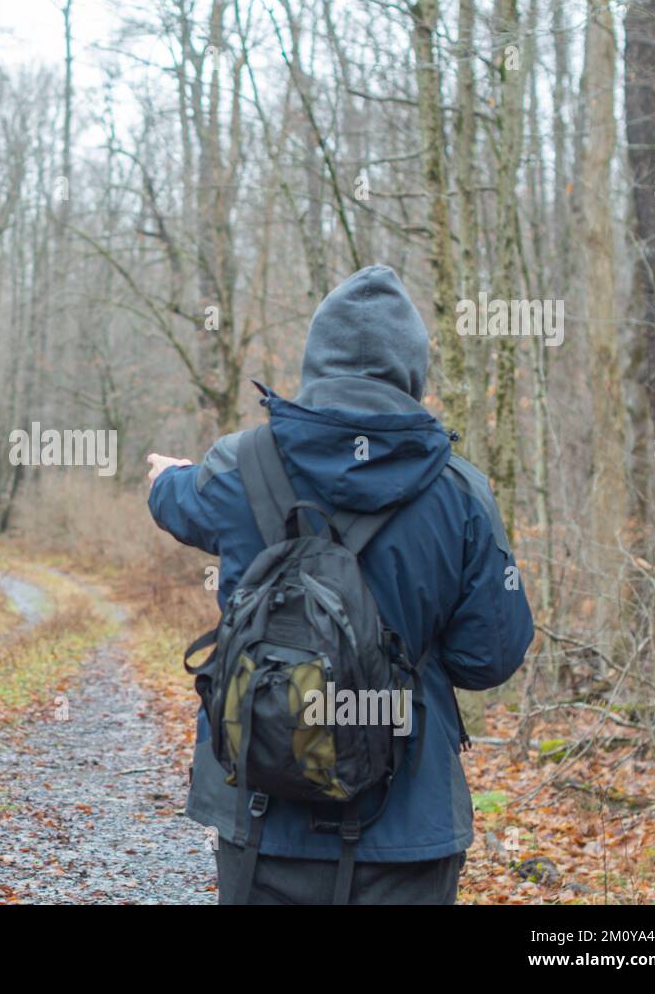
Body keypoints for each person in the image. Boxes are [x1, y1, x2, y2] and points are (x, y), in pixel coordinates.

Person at [146, 265, 534, 905]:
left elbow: (178, 504)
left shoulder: (240, 463)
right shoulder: (460, 491)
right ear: (413, 371)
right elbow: (487, 657)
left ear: (315, 360)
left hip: (261, 818)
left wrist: (164, 477)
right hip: (408, 827)